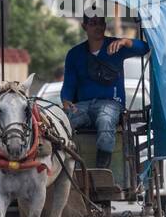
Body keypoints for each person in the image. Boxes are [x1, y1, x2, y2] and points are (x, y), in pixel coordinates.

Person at [61, 12, 150, 170]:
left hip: (110, 104)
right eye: (93, 23)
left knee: (105, 119)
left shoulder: (117, 46)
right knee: (64, 123)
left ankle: (102, 170)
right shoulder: (74, 55)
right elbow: (68, 86)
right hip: (83, 106)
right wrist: (66, 103)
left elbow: (144, 48)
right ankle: (66, 167)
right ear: (84, 26)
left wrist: (126, 42)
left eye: (101, 23)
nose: (98, 27)